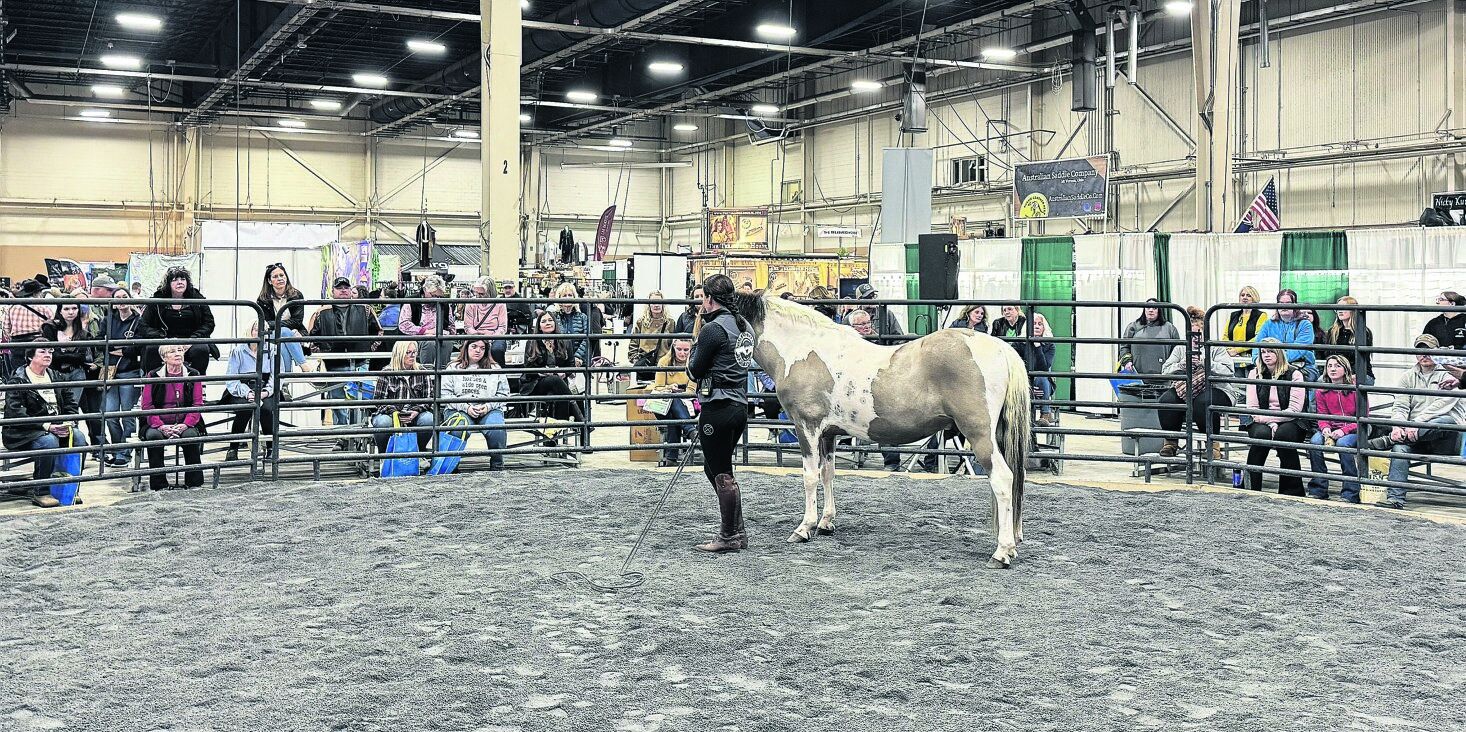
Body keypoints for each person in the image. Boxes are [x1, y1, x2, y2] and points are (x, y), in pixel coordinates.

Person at [686, 273, 751, 553]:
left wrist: (694, 351)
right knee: (713, 467)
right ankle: (737, 529)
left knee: (721, 472)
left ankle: (729, 535)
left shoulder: (713, 330)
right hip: (738, 404)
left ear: (709, 299)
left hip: (718, 405)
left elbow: (695, 369)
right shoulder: (744, 326)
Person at [1371, 334, 1466, 509]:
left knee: (1446, 421)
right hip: (1413, 434)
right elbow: (1400, 406)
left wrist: (1415, 425)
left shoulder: (1450, 375)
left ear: (1437, 352)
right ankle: (1395, 499)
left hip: (1445, 437)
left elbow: (1442, 405)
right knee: (1400, 448)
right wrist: (1398, 427)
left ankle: (1390, 439)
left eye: (1428, 350)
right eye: (1420, 350)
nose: (1424, 354)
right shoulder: (1407, 376)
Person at [3, 347, 88, 507]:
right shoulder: (18, 380)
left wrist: (68, 421)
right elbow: (16, 413)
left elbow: (71, 403)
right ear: (30, 357)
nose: (48, 355)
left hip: (55, 427)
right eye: (42, 352)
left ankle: (70, 489)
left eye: (50, 351)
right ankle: (41, 491)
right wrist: (46, 426)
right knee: (48, 442)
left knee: (79, 437)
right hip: (24, 432)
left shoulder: (56, 377)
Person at [1156, 306, 1244, 459]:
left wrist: (1206, 363)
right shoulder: (1180, 349)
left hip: (1217, 388)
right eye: (1192, 333)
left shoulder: (1215, 348)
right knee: (1166, 400)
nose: (1195, 337)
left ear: (1205, 332)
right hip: (1186, 388)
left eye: (1198, 333)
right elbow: (1165, 370)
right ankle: (1170, 442)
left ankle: (1213, 445)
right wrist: (1182, 365)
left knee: (1203, 402)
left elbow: (1228, 371)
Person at [308, 277, 382, 431]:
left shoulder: (365, 308)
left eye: (346, 287)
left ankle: (356, 433)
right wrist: (324, 354)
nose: (343, 290)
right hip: (335, 363)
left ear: (350, 290)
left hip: (360, 362)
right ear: (333, 291)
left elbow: (378, 332)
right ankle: (343, 435)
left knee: (360, 400)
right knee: (337, 401)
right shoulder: (322, 311)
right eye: (339, 287)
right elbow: (312, 337)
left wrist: (368, 352)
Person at [1243, 338, 1308, 496]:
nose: (1266, 355)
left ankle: (1292, 491)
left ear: (1279, 353)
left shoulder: (1295, 374)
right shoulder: (1254, 373)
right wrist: (1270, 423)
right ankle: (1251, 487)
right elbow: (1252, 408)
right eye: (1263, 352)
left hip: (1291, 420)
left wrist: (1273, 422)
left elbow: (1294, 410)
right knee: (1261, 436)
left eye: (1271, 351)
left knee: (1284, 436)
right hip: (1260, 419)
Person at [139, 344, 205, 491]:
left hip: (185, 422)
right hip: (158, 423)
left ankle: (194, 483)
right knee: (154, 437)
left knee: (191, 436)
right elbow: (147, 406)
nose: (178, 354)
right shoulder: (153, 375)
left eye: (180, 350)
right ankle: (159, 485)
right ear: (164, 358)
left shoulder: (193, 374)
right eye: (172, 351)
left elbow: (197, 404)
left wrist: (186, 424)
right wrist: (161, 426)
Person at [40, 302, 103, 450]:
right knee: (56, 406)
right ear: (60, 311)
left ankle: (73, 441)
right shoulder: (50, 327)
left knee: (71, 407)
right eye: (66, 308)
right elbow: (52, 355)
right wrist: (68, 355)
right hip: (55, 373)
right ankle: (59, 441)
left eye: (74, 308)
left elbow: (81, 357)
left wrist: (62, 354)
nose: (71, 312)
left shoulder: (82, 330)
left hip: (77, 373)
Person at [441, 337, 510, 471]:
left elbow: (504, 394)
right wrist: (466, 407)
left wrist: (488, 406)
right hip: (459, 408)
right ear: (466, 348)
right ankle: (451, 466)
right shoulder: (453, 367)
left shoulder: (495, 368)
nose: (478, 351)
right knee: (458, 427)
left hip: (488, 408)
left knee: (496, 427)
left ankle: (497, 465)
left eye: (482, 348)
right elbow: (445, 394)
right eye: (474, 347)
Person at [1306, 355, 1362, 503]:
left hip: (1354, 429)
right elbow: (1322, 415)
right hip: (1331, 428)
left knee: (1343, 445)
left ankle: (1350, 493)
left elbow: (1362, 417)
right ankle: (1318, 488)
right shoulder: (1322, 390)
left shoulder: (1357, 388)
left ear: (1345, 369)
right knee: (1314, 443)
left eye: (1337, 366)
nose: (1332, 369)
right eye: (1329, 366)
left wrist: (1343, 430)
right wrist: (1325, 428)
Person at [369, 340, 437, 462]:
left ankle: (419, 452)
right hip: (390, 414)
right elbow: (379, 401)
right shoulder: (386, 372)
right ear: (399, 353)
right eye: (408, 352)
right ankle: (384, 456)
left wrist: (416, 411)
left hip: (416, 414)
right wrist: (395, 413)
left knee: (429, 419)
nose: (412, 356)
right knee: (382, 423)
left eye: (414, 352)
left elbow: (429, 398)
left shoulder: (422, 371)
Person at [140, 266, 216, 374]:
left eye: (183, 279)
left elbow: (209, 323)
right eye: (174, 280)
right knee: (151, 349)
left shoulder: (197, 298)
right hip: (164, 340)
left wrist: (192, 339)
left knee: (201, 350)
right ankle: (153, 385)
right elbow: (143, 325)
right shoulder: (157, 300)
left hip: (191, 340)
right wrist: (163, 339)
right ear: (168, 283)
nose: (179, 282)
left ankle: (197, 385)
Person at [99, 289, 145, 466]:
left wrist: (120, 350)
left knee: (127, 415)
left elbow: (138, 348)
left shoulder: (138, 321)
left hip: (130, 372)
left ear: (130, 299)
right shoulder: (107, 320)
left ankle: (124, 454)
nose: (121, 301)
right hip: (110, 373)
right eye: (117, 298)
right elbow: (99, 342)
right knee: (110, 414)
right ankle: (118, 447)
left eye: (124, 297)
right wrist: (124, 350)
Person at [221, 322, 277, 462]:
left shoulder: (273, 349)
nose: (259, 332)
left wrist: (265, 392)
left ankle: (271, 447)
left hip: (265, 388)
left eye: (263, 330)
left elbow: (276, 376)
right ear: (250, 331)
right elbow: (232, 378)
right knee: (245, 408)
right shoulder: (238, 350)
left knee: (266, 408)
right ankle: (233, 447)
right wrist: (247, 393)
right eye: (256, 329)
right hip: (242, 388)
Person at [520, 311, 587, 422]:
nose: (548, 323)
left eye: (550, 320)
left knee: (558, 395)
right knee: (555, 381)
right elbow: (527, 368)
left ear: (555, 323)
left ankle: (553, 435)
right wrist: (541, 372)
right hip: (536, 383)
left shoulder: (565, 341)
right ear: (539, 326)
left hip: (559, 384)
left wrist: (564, 373)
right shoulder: (532, 342)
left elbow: (571, 365)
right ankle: (581, 421)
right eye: (544, 321)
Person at [255, 263, 310, 372]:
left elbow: (297, 321)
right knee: (284, 332)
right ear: (269, 281)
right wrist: (282, 327)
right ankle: (303, 365)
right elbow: (265, 324)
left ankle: (284, 382)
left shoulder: (296, 295)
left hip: (295, 333)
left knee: (283, 342)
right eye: (275, 277)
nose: (280, 279)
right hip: (272, 334)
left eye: (282, 275)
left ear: (286, 277)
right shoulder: (262, 299)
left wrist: (276, 324)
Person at [1253, 288, 1316, 380]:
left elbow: (1300, 349)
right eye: (1281, 303)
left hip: (1302, 367)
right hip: (1270, 366)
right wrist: (1258, 361)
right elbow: (1257, 347)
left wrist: (1277, 361)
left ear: (1295, 305)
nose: (1284, 306)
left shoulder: (1305, 324)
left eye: (1288, 303)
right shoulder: (1268, 324)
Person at [653, 338, 696, 467]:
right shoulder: (664, 362)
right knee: (673, 402)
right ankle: (690, 430)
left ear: (691, 350)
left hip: (687, 404)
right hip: (663, 404)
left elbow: (691, 391)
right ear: (673, 348)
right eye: (679, 349)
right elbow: (658, 387)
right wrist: (669, 388)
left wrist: (676, 393)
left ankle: (671, 458)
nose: (682, 353)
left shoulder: (694, 364)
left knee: (674, 415)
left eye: (686, 350)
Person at [1119, 298, 1180, 379]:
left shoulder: (1170, 328)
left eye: (1154, 308)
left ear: (1159, 310)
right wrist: (1127, 362)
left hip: (1163, 378)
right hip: (1137, 377)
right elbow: (1124, 347)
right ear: (1144, 310)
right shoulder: (1133, 326)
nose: (1151, 310)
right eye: (1148, 308)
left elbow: (1177, 351)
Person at [1320, 296, 1374, 385]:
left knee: (1349, 383)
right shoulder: (1332, 331)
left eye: (1344, 308)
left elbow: (1361, 361)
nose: (1340, 311)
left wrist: (1346, 375)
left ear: (1352, 310)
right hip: (1336, 373)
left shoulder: (1363, 331)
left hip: (1359, 374)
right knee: (1319, 383)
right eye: (1337, 308)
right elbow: (1329, 356)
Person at [399, 275, 450, 366]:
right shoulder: (411, 301)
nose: (436, 299)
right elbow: (403, 324)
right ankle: (426, 373)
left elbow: (451, 325)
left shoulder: (444, 304)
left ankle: (443, 372)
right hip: (417, 337)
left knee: (447, 342)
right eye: (433, 295)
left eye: (439, 296)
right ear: (425, 290)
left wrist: (447, 332)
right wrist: (425, 331)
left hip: (440, 335)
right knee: (429, 343)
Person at [463, 276, 508, 366]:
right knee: (473, 349)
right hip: (475, 335)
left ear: (490, 292)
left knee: (497, 349)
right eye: (477, 293)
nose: (478, 296)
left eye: (482, 294)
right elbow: (468, 327)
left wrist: (491, 338)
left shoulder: (500, 304)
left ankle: (499, 374)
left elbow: (502, 327)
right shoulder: (471, 303)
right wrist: (478, 337)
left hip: (495, 336)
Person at [630, 291, 673, 382]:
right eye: (653, 302)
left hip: (662, 366)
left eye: (659, 302)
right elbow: (634, 342)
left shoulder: (670, 323)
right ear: (649, 304)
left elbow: (673, 344)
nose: (656, 305)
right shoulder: (641, 322)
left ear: (663, 304)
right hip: (644, 365)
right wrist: (635, 359)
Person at [1226, 286, 1269, 374]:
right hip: (1233, 359)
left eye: (1248, 295)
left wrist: (1237, 350)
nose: (1245, 297)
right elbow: (1225, 335)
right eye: (1242, 295)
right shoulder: (1233, 315)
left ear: (1254, 298)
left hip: (1251, 360)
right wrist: (1229, 349)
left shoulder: (1261, 315)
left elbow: (1258, 337)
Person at [550, 283, 590, 365]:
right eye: (564, 295)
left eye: (570, 295)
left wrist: (577, 357)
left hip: (580, 362)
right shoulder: (553, 317)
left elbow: (587, 339)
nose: (567, 298)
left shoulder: (583, 317)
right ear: (559, 298)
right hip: (559, 361)